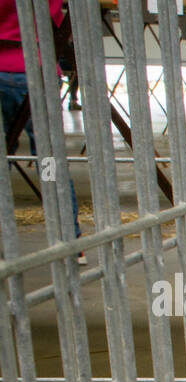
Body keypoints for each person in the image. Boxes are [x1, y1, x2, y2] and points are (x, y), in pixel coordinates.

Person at [1, 0, 82, 243]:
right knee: (48, 157)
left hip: (4, 66)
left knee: (5, 154)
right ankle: (70, 237)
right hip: (36, 65)